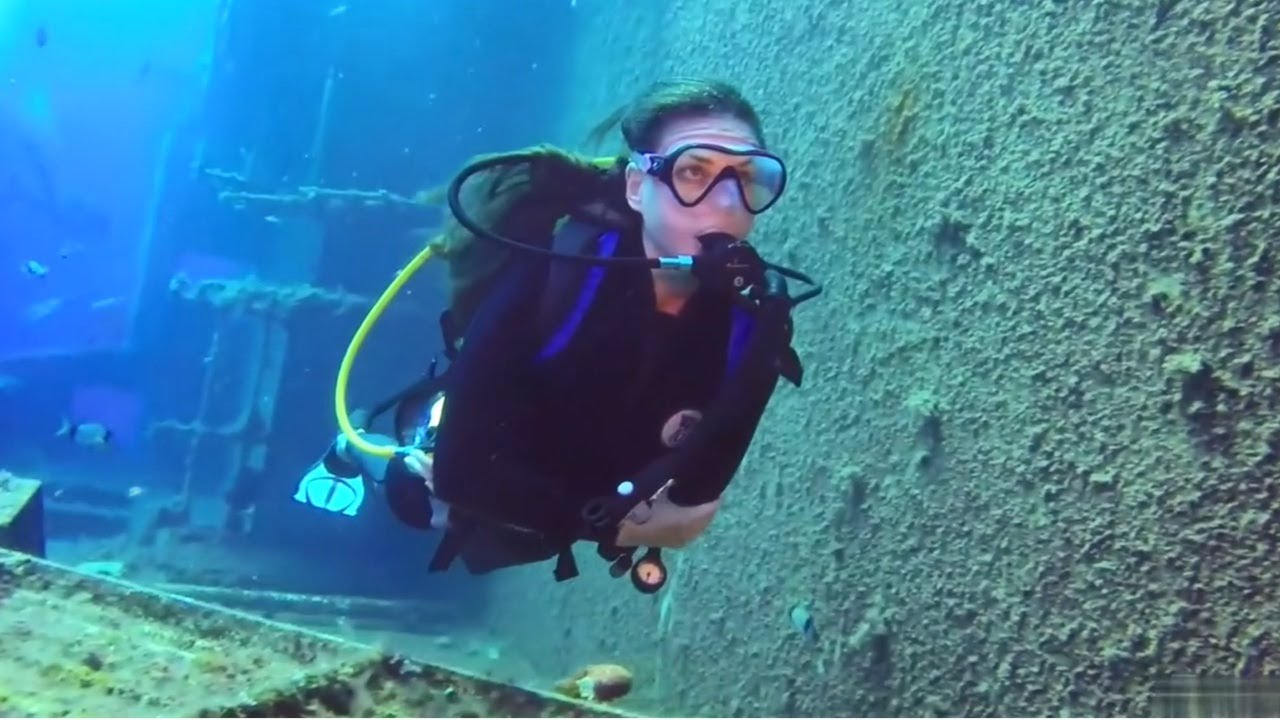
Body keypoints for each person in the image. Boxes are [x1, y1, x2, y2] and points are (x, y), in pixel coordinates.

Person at [294, 78, 821, 593]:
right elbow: (460, 475)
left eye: (747, 176)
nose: (727, 202)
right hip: (490, 466)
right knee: (414, 497)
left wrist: (609, 515)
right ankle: (353, 444)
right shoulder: (559, 271)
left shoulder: (757, 320)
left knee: (527, 538)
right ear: (637, 188)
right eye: (693, 171)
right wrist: (619, 527)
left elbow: (695, 502)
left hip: (581, 493)